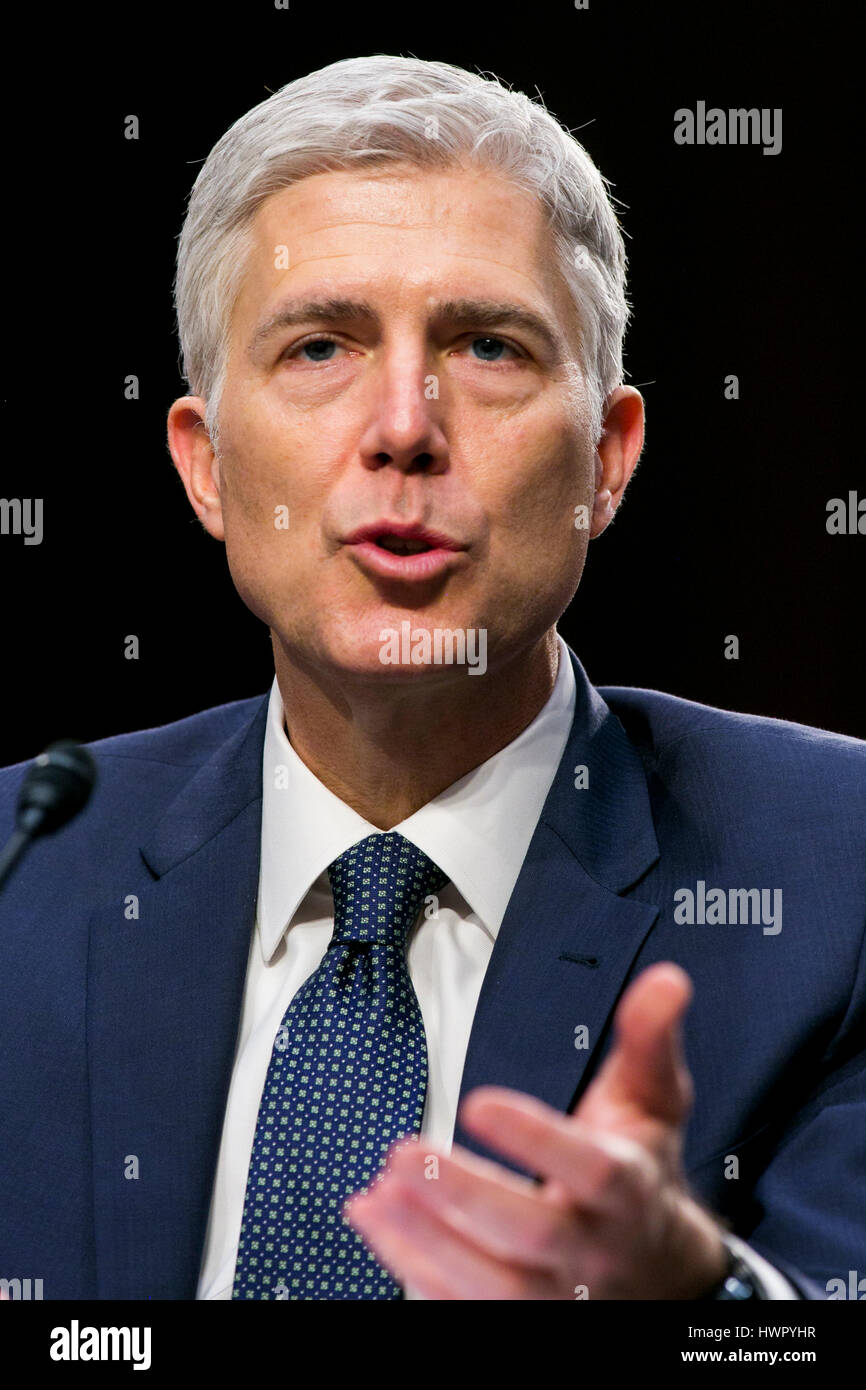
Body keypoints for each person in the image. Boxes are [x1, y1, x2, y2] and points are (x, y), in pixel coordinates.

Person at [1, 54, 863, 1302]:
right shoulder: (24, 873)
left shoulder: (836, 876)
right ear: (205, 464)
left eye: (487, 346)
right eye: (318, 347)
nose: (404, 424)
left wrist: (688, 1304)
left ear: (607, 461)